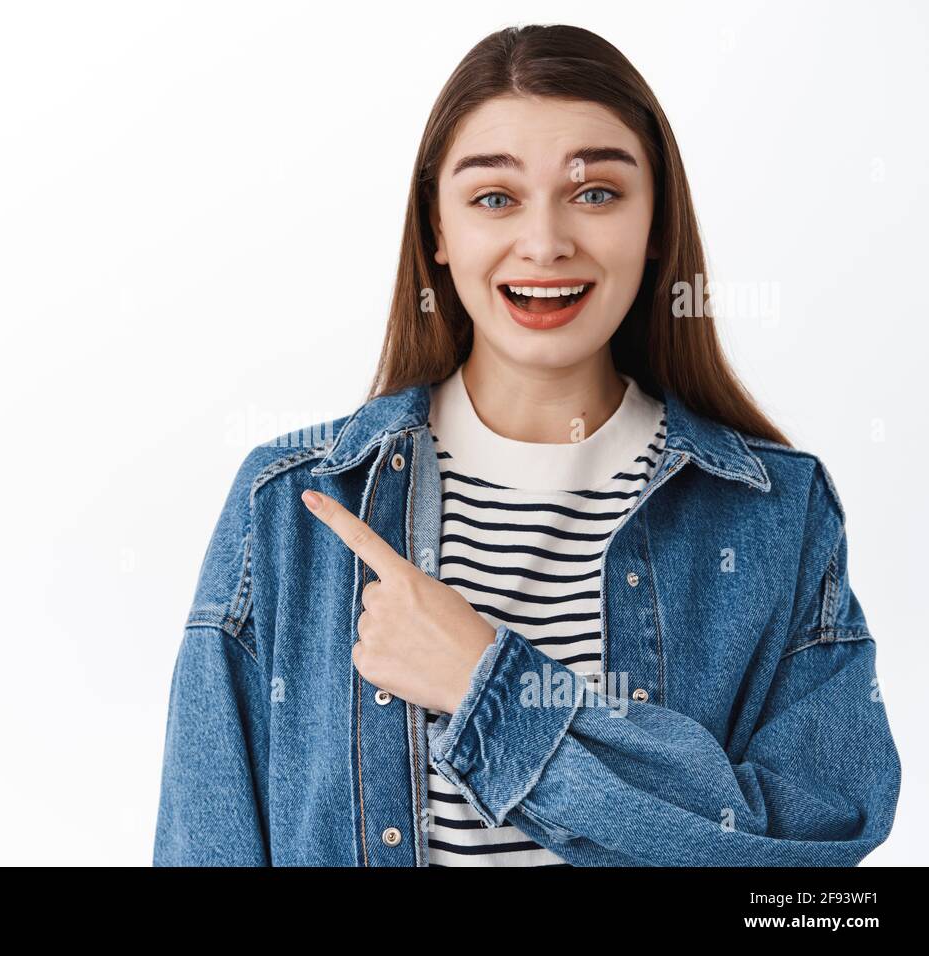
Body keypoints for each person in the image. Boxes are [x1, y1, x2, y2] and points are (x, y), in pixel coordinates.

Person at [153, 23, 901, 866]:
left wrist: (486, 686)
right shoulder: (292, 510)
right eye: (494, 198)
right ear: (438, 231)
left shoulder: (775, 516)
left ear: (657, 223)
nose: (545, 243)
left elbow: (812, 873)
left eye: (595, 194)